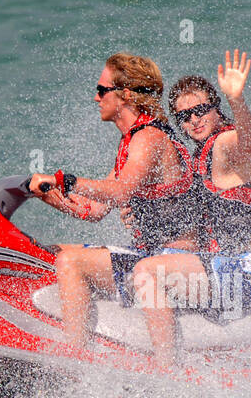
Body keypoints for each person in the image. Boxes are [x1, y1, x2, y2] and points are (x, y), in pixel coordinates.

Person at [27, 53, 198, 352]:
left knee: (71, 261)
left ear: (125, 95)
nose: (96, 98)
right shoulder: (132, 142)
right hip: (151, 257)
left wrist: (62, 179)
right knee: (51, 249)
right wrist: (43, 194)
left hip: (175, 263)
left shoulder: (150, 138)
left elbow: (120, 192)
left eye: (102, 90)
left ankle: (76, 359)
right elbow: (92, 210)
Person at [129, 50, 251, 365]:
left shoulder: (225, 145)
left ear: (217, 109)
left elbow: (246, 144)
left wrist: (237, 99)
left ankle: (165, 372)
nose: (194, 119)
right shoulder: (201, 159)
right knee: (153, 258)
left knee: (147, 272)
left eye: (202, 110)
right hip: (226, 270)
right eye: (185, 116)